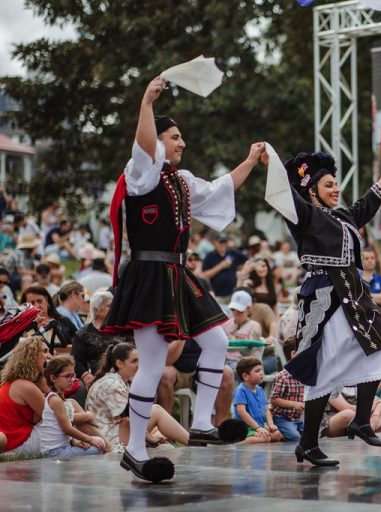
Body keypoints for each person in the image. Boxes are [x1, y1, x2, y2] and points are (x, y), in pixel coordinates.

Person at [99, 76, 256, 482]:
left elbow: (222, 189)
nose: (181, 142)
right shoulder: (142, 174)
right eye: (174, 136)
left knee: (218, 339)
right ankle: (133, 449)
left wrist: (252, 160)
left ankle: (202, 422)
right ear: (158, 140)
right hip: (150, 273)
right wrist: (146, 103)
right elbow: (143, 145)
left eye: (180, 137)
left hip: (177, 271)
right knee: (151, 365)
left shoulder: (180, 180)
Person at [263, 150, 381, 467]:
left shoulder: (345, 216)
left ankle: (361, 421)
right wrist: (270, 162)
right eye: (329, 184)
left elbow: (370, 201)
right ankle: (309, 443)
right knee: (324, 368)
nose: (336, 188)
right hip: (326, 296)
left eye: (337, 183)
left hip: (353, 295)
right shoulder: (304, 216)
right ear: (312, 190)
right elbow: (283, 193)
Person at [86, 343, 189, 454]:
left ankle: (191, 442)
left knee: (162, 433)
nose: (139, 364)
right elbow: (130, 418)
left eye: (140, 360)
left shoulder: (124, 380)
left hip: (117, 430)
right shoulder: (112, 383)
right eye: (134, 361)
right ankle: (194, 442)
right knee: (156, 411)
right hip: (108, 439)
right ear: (119, 363)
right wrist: (150, 438)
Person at [40, 355, 111, 457]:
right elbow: (67, 429)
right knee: (98, 446)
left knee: (99, 441)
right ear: (53, 378)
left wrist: (76, 441)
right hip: (55, 453)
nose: (72, 379)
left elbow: (62, 429)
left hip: (64, 447)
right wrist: (90, 439)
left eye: (73, 375)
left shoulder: (61, 399)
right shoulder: (55, 400)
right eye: (67, 376)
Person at [0, 336, 51, 456]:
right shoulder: (26, 386)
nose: (50, 356)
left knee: (70, 405)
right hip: (19, 442)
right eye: (45, 351)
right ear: (31, 357)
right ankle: (101, 443)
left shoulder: (15, 382)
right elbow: (56, 418)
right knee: (69, 410)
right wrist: (87, 417)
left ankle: (101, 441)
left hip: (11, 439)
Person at [72, 290, 124, 388]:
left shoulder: (121, 330)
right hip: (96, 378)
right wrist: (86, 375)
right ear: (96, 310)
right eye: (109, 306)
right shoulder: (83, 334)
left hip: (122, 376)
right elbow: (77, 361)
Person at [233, 357, 283, 444]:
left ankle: (259, 436)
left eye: (261, 370)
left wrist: (271, 424)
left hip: (260, 426)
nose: (261, 373)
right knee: (265, 438)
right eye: (257, 371)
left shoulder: (260, 389)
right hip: (246, 428)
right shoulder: (241, 390)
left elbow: (266, 409)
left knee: (277, 434)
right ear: (245, 376)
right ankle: (240, 442)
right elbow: (242, 412)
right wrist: (257, 428)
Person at [269, 338, 305, 442]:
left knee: (309, 436)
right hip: (282, 417)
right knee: (295, 437)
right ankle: (279, 434)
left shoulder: (304, 376)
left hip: (297, 418)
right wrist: (294, 404)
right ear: (294, 354)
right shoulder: (282, 377)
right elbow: (274, 399)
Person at [202, 234, 248, 303]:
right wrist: (220, 266)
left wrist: (240, 269)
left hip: (234, 293)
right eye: (221, 242)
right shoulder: (210, 256)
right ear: (215, 243)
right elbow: (204, 275)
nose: (223, 244)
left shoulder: (232, 252)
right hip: (219, 296)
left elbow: (247, 260)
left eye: (225, 242)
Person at [360, 247, 381, 312]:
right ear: (361, 261)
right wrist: (379, 297)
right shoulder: (357, 279)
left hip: (380, 314)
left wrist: (365, 296)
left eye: (372, 258)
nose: (370, 260)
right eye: (366, 258)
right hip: (362, 314)